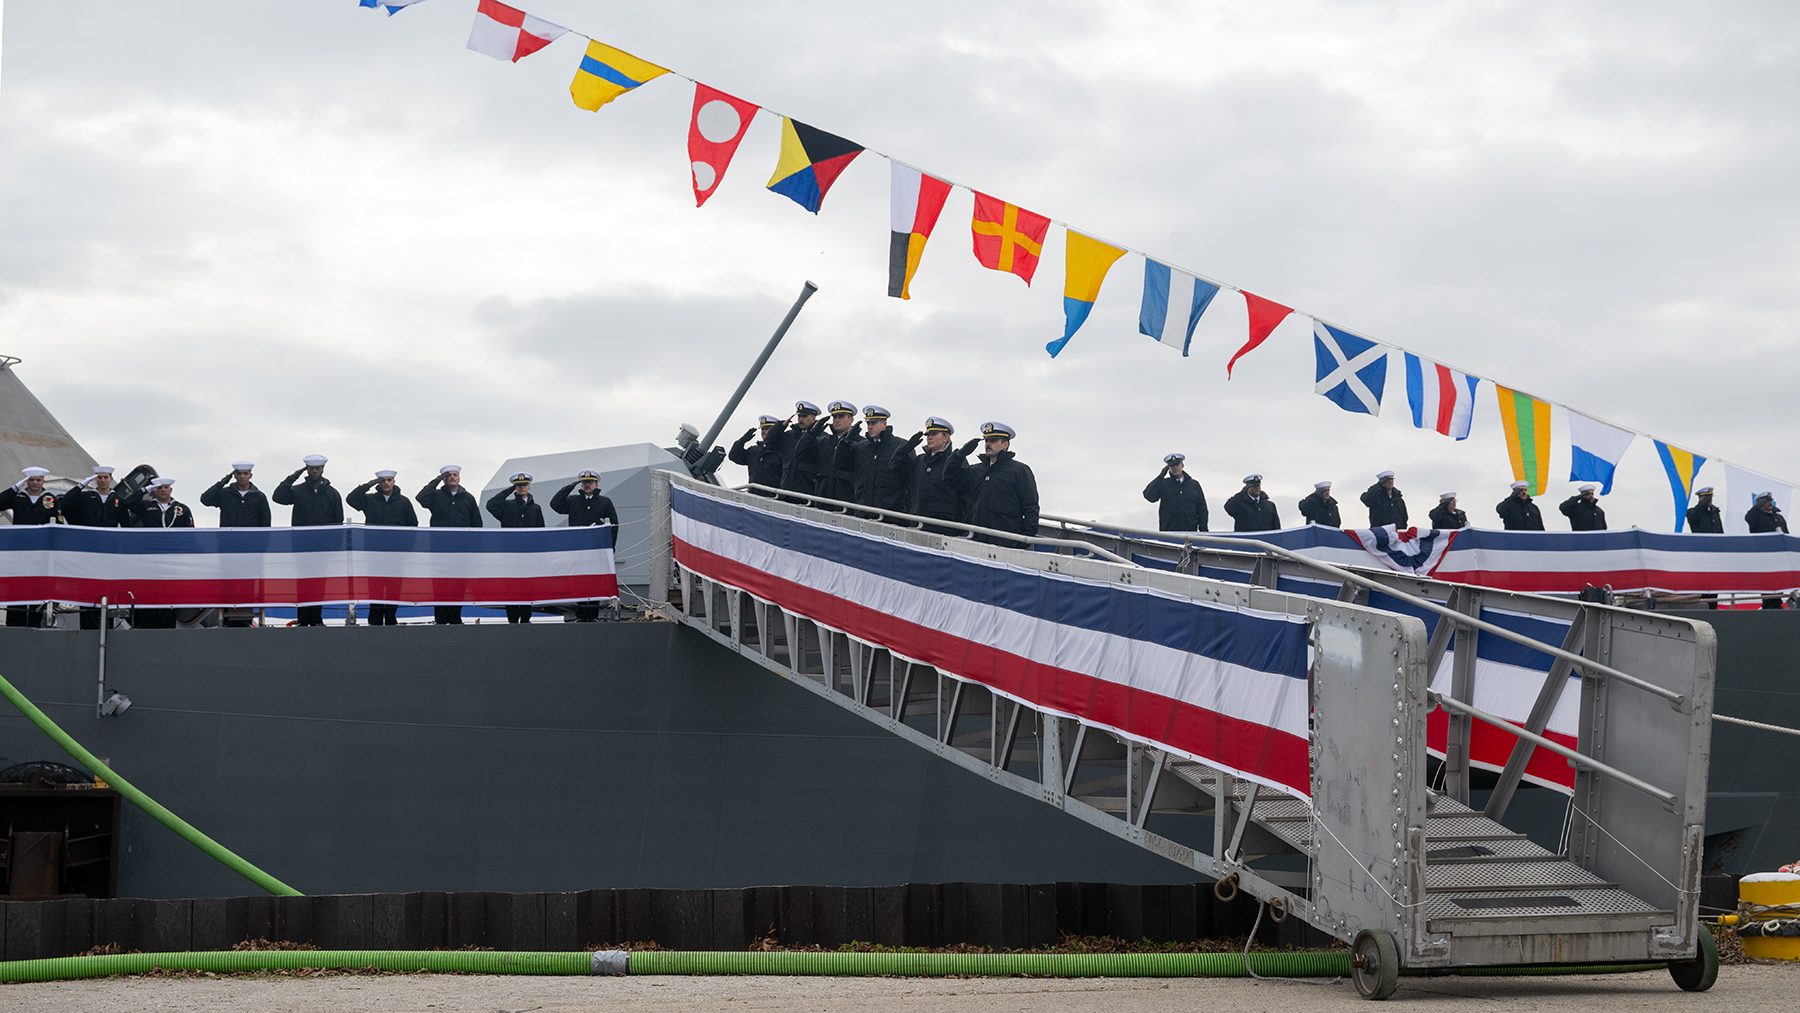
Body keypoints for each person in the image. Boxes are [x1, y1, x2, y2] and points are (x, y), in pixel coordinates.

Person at [272, 454, 343, 627]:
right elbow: (278, 496)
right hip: (302, 546)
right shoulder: (298, 490)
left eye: (317, 468)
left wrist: (336, 548)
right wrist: (294, 475)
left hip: (323, 548)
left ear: (322, 469)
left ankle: (317, 619)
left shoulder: (333, 494)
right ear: (307, 470)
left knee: (319, 583)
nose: (314, 471)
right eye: (311, 468)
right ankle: (303, 619)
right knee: (303, 583)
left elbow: (338, 521)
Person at [347, 470, 418, 625]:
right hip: (374, 553)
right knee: (375, 587)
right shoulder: (369, 500)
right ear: (378, 483)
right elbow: (351, 499)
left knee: (395, 587)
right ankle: (375, 619)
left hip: (397, 554)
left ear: (394, 482)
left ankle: (391, 617)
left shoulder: (404, 502)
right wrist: (369, 484)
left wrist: (406, 549)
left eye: (389, 480)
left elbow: (413, 525)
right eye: (383, 480)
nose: (386, 483)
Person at [122, 476, 193, 629]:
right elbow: (127, 503)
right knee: (151, 589)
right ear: (155, 490)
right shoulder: (147, 505)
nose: (162, 490)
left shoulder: (182, 509)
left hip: (172, 559)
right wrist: (144, 489)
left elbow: (190, 533)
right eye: (159, 487)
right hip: (151, 557)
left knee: (170, 591)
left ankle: (168, 626)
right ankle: (148, 624)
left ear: (171, 490)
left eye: (165, 487)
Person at [416, 465, 482, 624]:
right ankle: (440, 617)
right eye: (448, 475)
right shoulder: (436, 496)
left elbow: (477, 524)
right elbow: (421, 498)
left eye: (455, 475)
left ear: (459, 478)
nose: (452, 477)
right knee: (440, 584)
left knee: (459, 584)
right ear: (444, 479)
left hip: (461, 550)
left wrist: (474, 548)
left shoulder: (468, 498)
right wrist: (437, 480)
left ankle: (455, 616)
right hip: (439, 549)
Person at [551, 469, 620, 622]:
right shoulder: (573, 501)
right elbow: (555, 504)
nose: (587, 485)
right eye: (584, 482)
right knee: (579, 582)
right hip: (577, 549)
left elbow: (614, 526)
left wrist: (610, 548)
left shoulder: (605, 502)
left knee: (594, 582)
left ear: (596, 484)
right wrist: (569, 486)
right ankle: (581, 615)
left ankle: (593, 616)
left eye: (590, 482)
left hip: (596, 550)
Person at [1, 467, 61, 626]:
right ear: (26, 481)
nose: (35, 483)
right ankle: (15, 626)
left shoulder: (51, 499)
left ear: (43, 481)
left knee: (37, 588)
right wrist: (15, 488)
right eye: (31, 479)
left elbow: (58, 525)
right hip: (19, 550)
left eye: (38, 480)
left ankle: (35, 624)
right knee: (17, 587)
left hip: (41, 552)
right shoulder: (18, 497)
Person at [965, 422, 1038, 545]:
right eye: (986, 440)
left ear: (1005, 445)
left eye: (993, 440)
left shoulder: (1019, 471)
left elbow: (1031, 506)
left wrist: (1025, 539)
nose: (988, 444)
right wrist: (961, 454)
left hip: (1007, 542)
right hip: (979, 539)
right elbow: (950, 478)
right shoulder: (976, 470)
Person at [487, 472, 545, 624]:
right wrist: (508, 490)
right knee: (510, 587)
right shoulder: (506, 506)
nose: (521, 488)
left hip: (529, 555)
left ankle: (526, 619)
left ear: (529, 487)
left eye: (524, 485)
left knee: (528, 587)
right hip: (510, 554)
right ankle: (512, 619)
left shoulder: (536, 508)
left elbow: (541, 532)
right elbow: (490, 505)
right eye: (518, 485)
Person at [908, 416, 970, 533]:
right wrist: (907, 447)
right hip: (918, 522)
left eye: (934, 434)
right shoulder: (920, 460)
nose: (929, 438)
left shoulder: (957, 462)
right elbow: (894, 467)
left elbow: (965, 494)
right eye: (928, 435)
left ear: (946, 437)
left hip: (943, 526)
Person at [852, 405, 915, 517]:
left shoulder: (900, 446)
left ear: (884, 424)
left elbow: (910, 482)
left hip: (890, 514)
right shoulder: (861, 447)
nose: (870, 427)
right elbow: (842, 465)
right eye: (868, 423)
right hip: (863, 511)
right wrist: (845, 442)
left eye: (874, 423)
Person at [812, 401, 862, 505]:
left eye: (841, 417)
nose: (837, 420)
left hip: (846, 497)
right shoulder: (823, 441)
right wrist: (811, 433)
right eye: (835, 417)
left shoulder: (860, 443)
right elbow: (801, 454)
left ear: (851, 420)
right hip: (823, 496)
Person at [1143, 453, 1208, 532]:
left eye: (1177, 464)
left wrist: (1203, 531)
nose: (1175, 467)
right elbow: (1148, 495)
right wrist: (1160, 477)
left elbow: (1202, 509)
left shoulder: (1194, 485)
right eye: (1172, 465)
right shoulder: (1164, 484)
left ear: (1182, 465)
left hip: (1190, 533)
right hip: (1169, 533)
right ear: (1168, 468)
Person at [200, 461, 271, 528]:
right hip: (228, 537)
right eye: (239, 473)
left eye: (245, 473)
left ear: (250, 475)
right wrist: (222, 483)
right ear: (235, 476)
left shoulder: (259, 496)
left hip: (252, 538)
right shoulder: (225, 493)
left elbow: (265, 520)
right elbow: (205, 500)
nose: (242, 476)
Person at [729, 415, 788, 494]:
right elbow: (734, 456)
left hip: (773, 497)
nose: (763, 432)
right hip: (753, 495)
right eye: (762, 429)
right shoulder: (754, 451)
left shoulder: (784, 452)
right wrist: (742, 441)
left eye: (767, 429)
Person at [780, 401, 825, 497]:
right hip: (785, 490)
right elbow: (770, 443)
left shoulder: (822, 438)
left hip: (806, 492)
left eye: (804, 417)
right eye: (799, 416)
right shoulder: (790, 435)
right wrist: (780, 426)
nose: (800, 420)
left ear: (813, 418)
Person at [63, 465, 129, 531]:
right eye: (99, 477)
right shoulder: (86, 496)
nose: (103, 480)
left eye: (106, 477)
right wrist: (81, 485)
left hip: (109, 536)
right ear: (95, 479)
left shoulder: (118, 500)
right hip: (89, 534)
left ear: (111, 479)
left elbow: (126, 525)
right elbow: (65, 501)